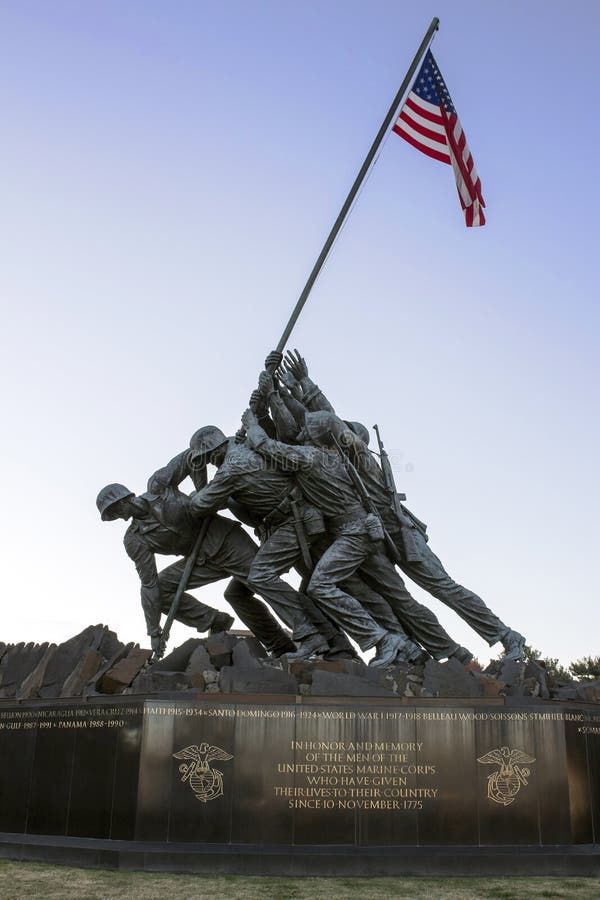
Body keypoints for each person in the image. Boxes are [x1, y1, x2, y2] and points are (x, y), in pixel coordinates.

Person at [278, 350, 527, 661]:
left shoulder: (359, 456)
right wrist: (290, 391)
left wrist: (305, 387)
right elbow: (319, 424)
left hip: (398, 529)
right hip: (375, 533)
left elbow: (329, 419)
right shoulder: (336, 460)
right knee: (401, 600)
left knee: (443, 587)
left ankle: (506, 635)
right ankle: (441, 652)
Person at [244, 407, 465, 664]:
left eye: (307, 429)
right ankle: (441, 650)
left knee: (320, 586)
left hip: (353, 534)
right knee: (396, 598)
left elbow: (267, 446)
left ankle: (384, 640)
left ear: (316, 436)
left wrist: (251, 424)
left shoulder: (310, 457)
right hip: (362, 532)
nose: (300, 431)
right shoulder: (335, 457)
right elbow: (296, 432)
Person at [96, 453, 296, 657]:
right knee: (162, 588)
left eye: (114, 510)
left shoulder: (159, 485)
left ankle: (309, 633)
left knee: (261, 582)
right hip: (201, 560)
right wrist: (154, 631)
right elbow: (149, 585)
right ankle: (223, 624)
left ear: (124, 499)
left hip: (226, 541)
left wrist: (202, 493)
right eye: (111, 515)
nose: (116, 516)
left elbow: (194, 457)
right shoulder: (134, 539)